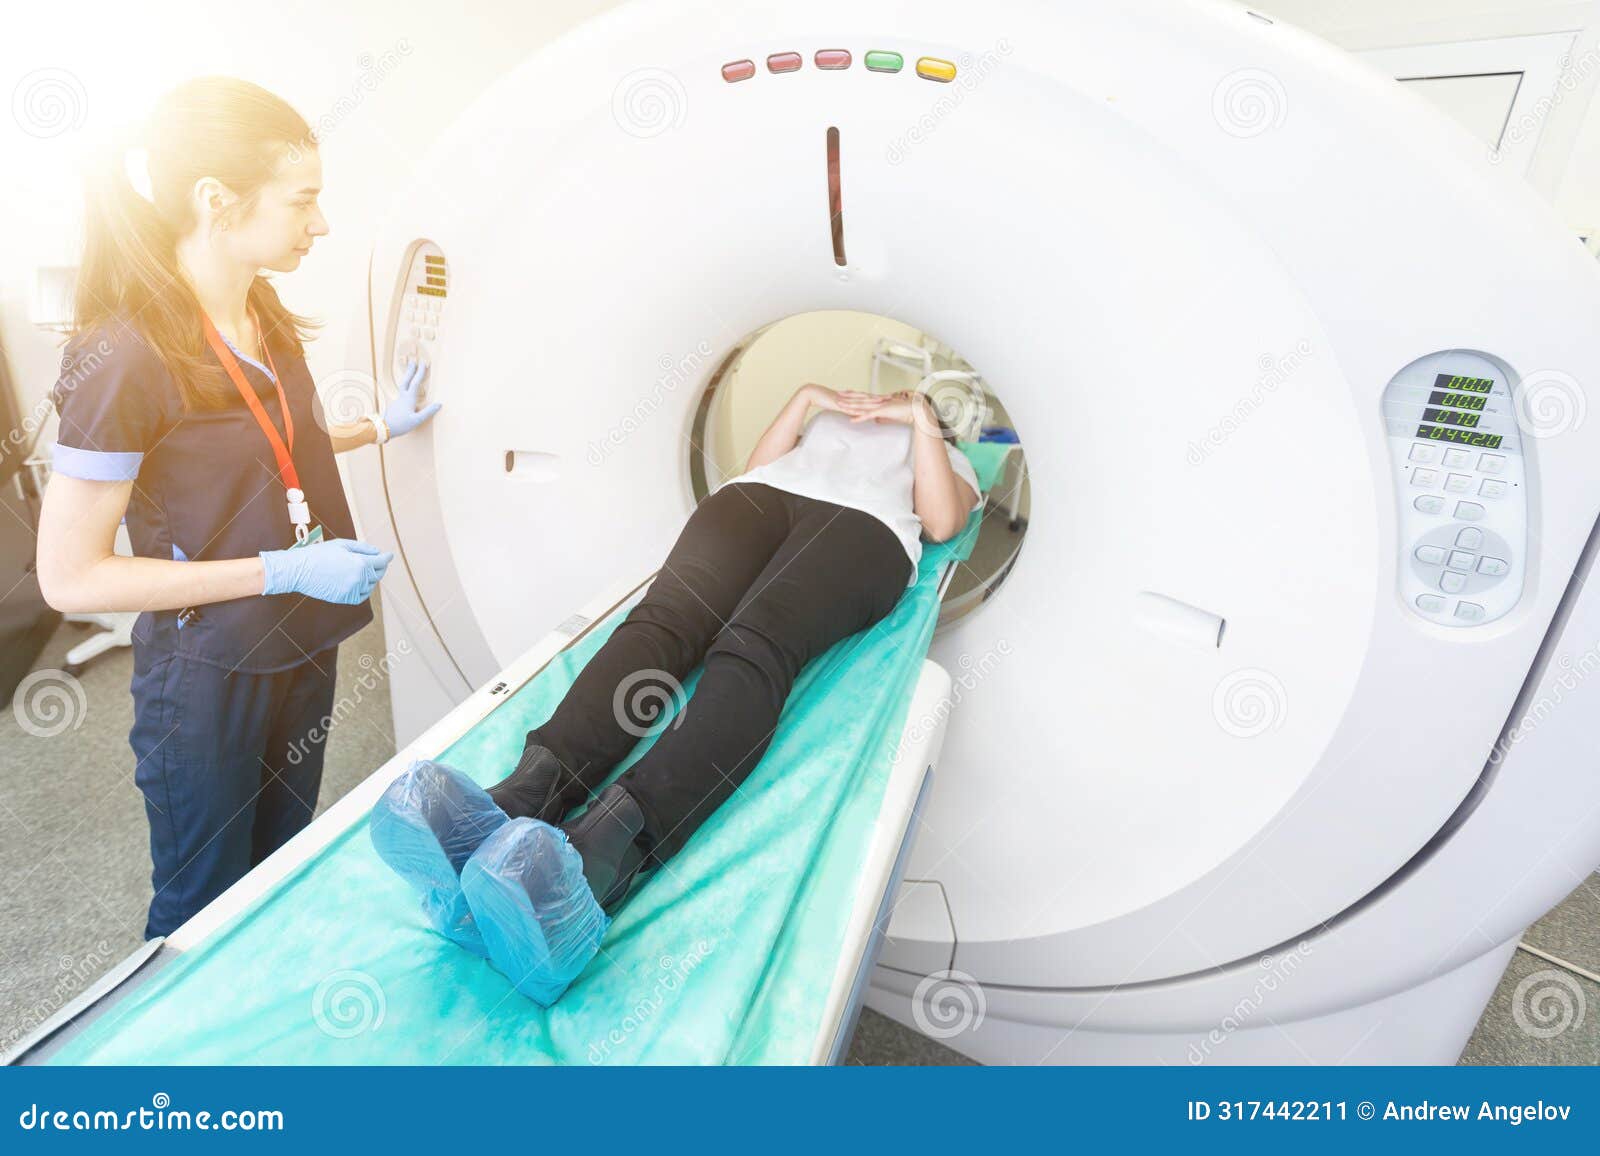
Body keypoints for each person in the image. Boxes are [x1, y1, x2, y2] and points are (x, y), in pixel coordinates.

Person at [372, 381, 983, 1002]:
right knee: (663, 620)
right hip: (760, 498)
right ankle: (515, 803)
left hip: (863, 531)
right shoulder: (819, 429)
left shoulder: (944, 455)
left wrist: (919, 417)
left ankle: (595, 862)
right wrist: (804, 397)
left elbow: (943, 522)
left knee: (753, 645)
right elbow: (758, 468)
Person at [35, 78, 440, 939]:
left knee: (277, 875)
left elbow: (266, 450)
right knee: (201, 911)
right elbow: (69, 576)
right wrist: (280, 567)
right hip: (210, 674)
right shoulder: (121, 356)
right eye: (304, 201)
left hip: (304, 640)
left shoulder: (262, 311)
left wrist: (375, 426)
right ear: (217, 200)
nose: (319, 223)